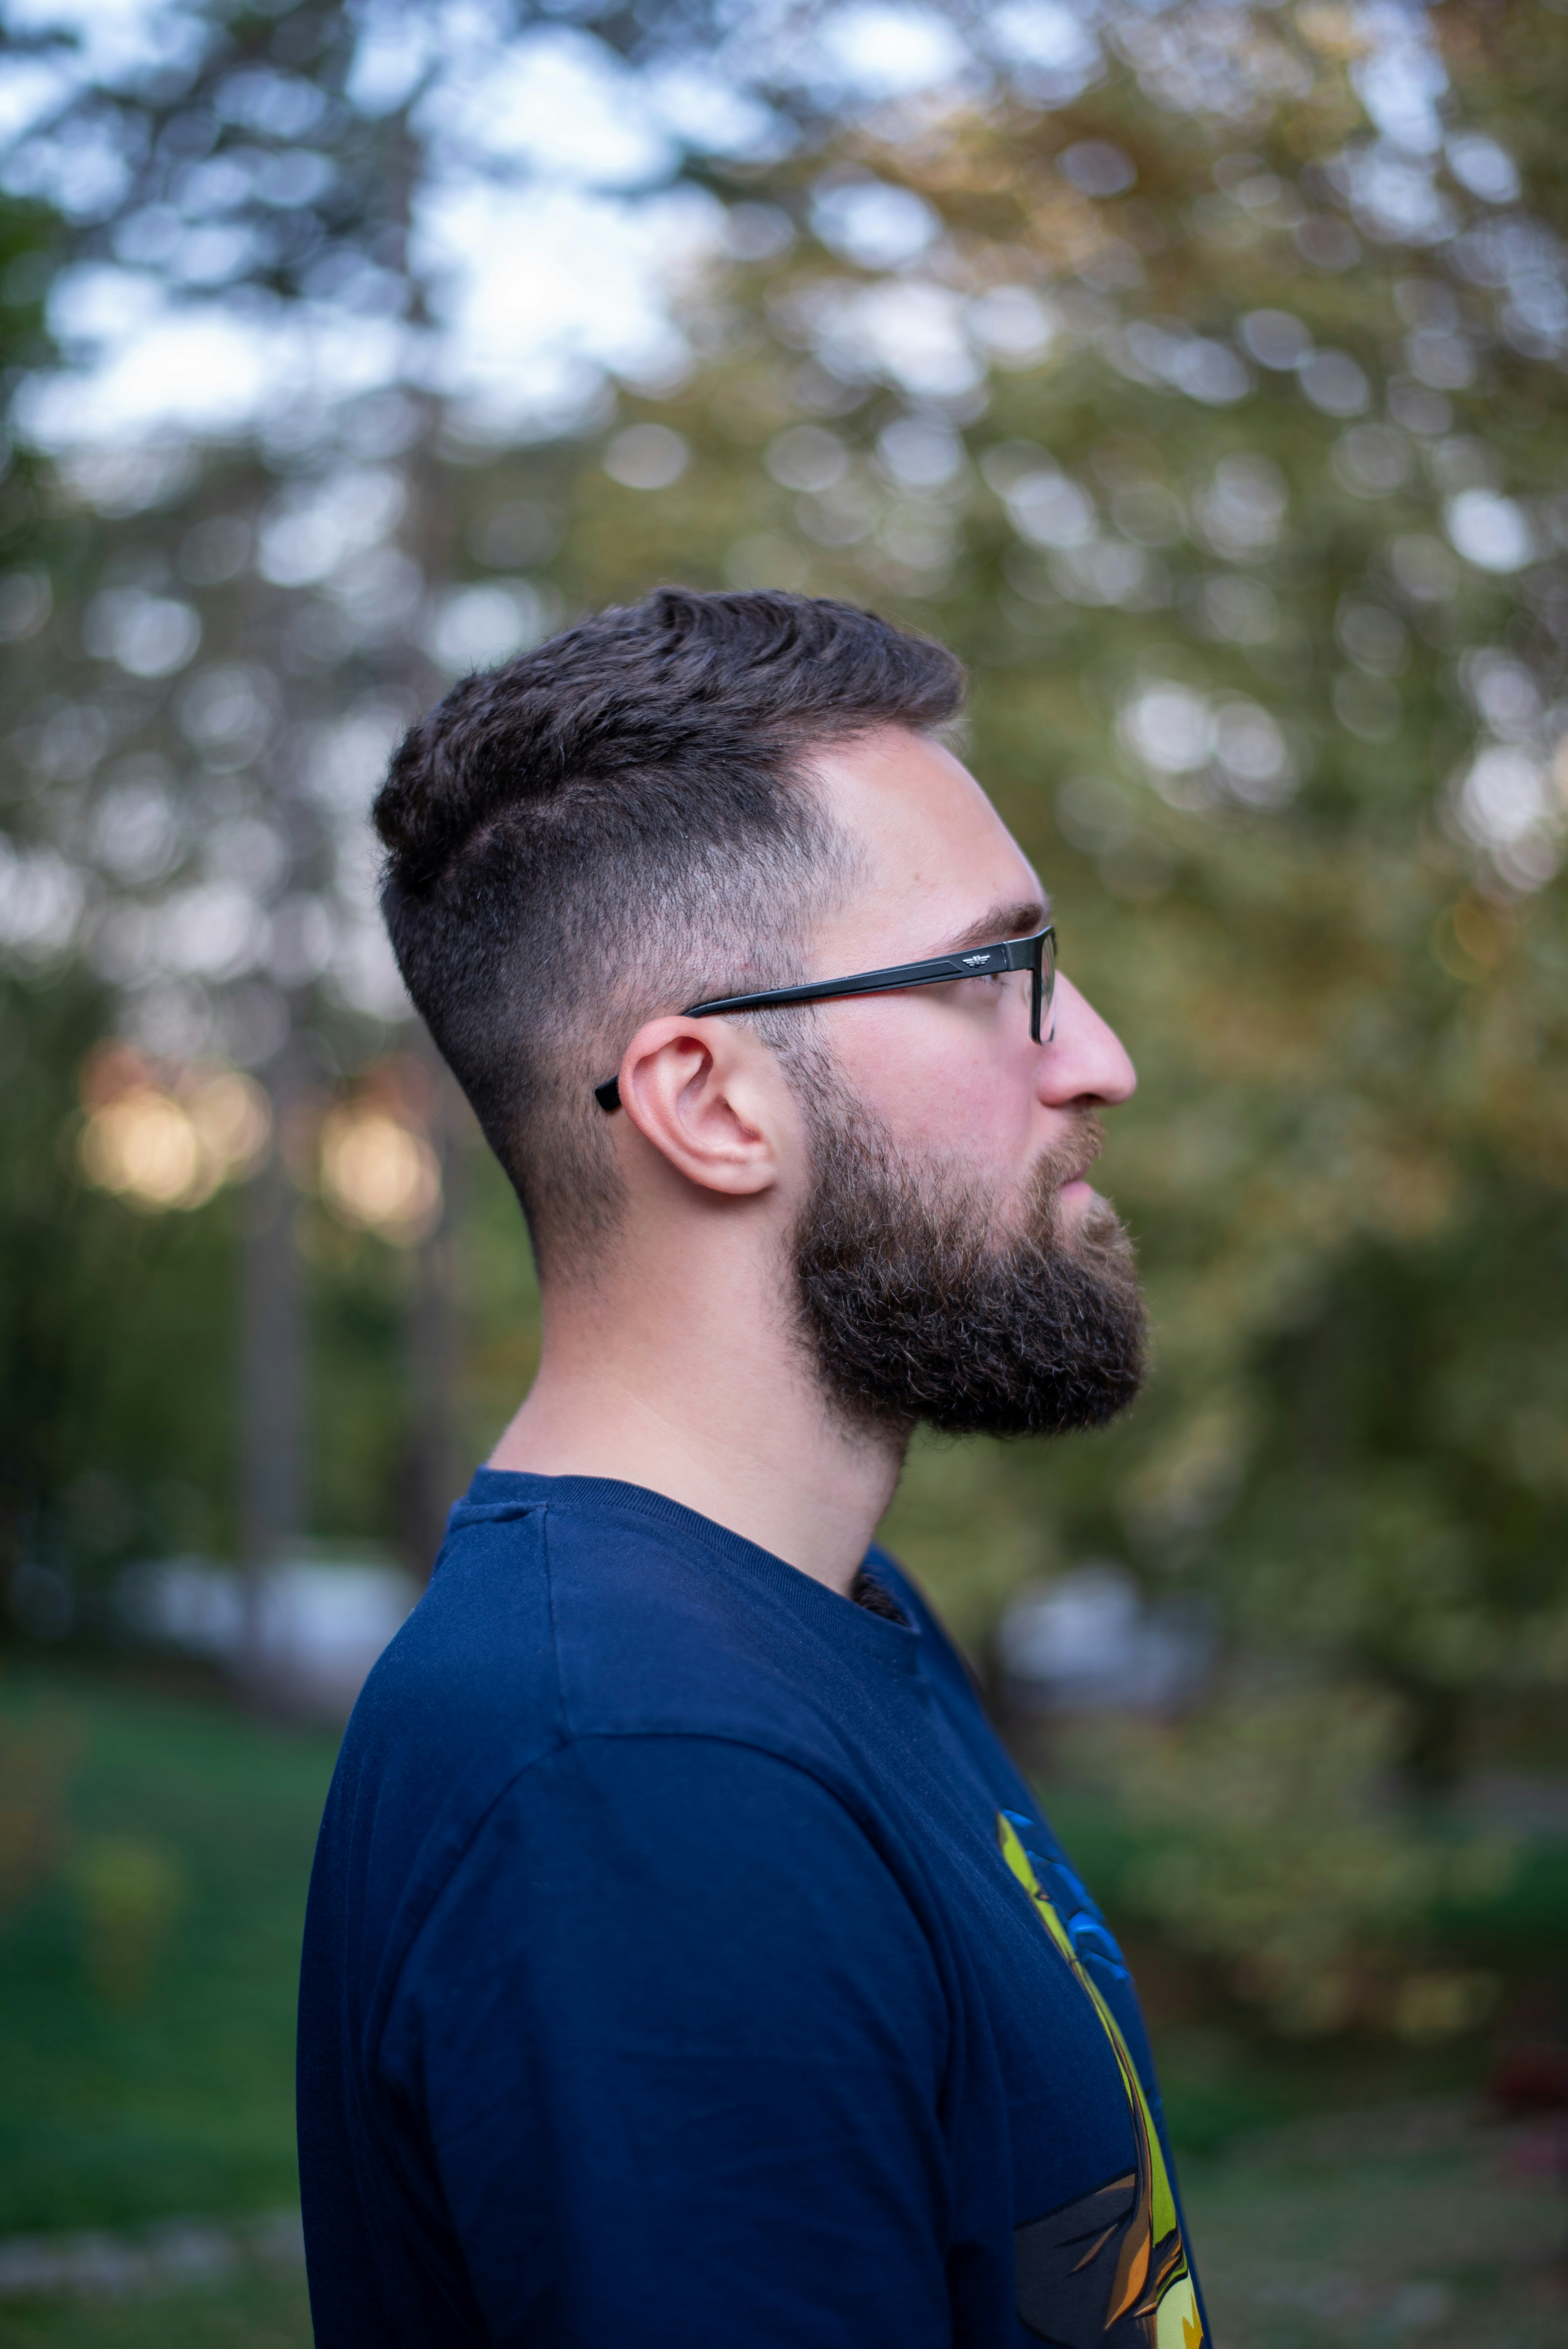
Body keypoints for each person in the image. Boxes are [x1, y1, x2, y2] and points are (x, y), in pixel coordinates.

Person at [297, 588, 1208, 2349]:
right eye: (992, 974)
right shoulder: (642, 1781)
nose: (1095, 1057)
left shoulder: (812, 1621)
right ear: (710, 1101)